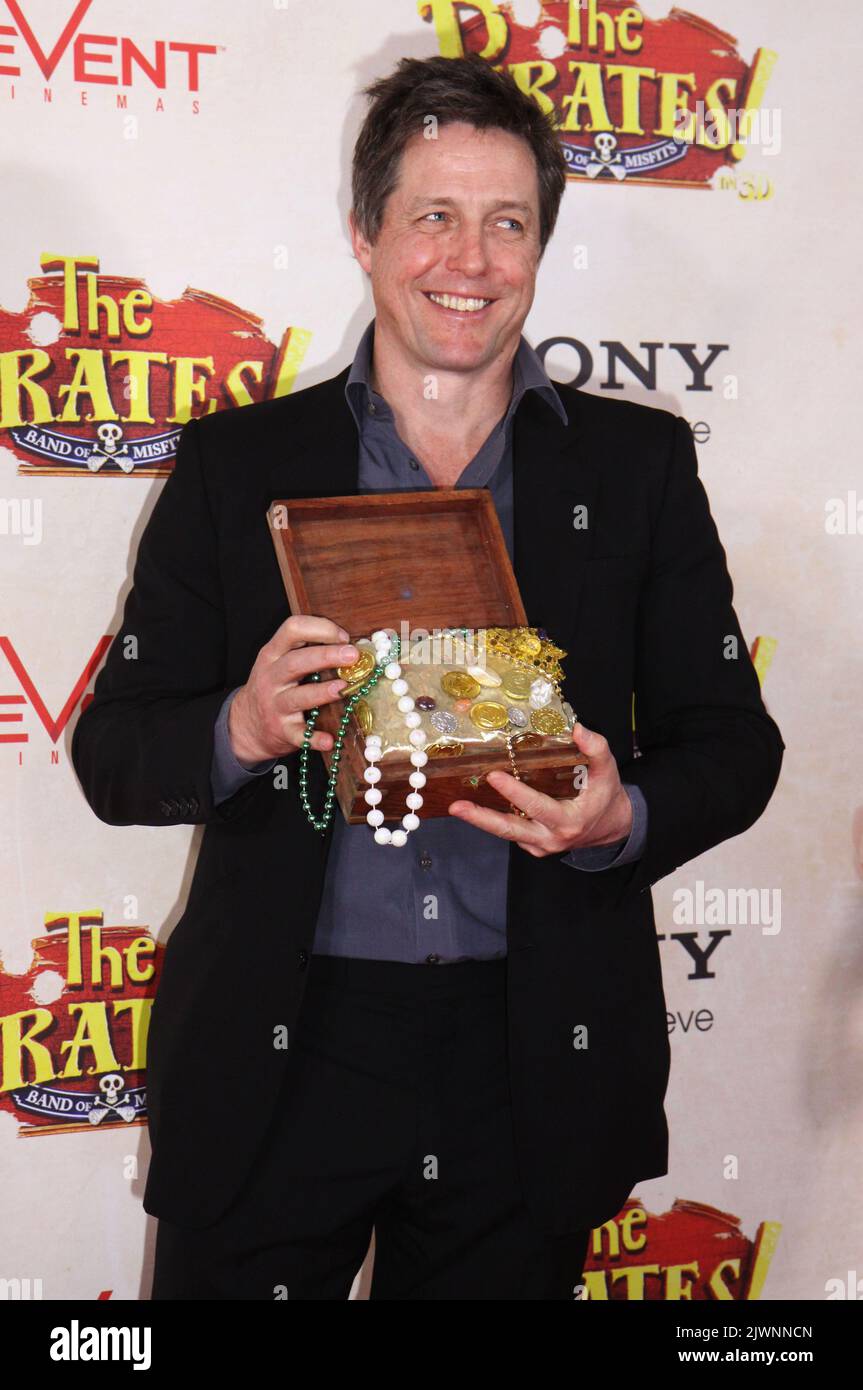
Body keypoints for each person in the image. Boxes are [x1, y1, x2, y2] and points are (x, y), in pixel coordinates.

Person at [71, 54, 784, 1300]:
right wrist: (239, 725)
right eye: (433, 217)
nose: (471, 258)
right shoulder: (240, 466)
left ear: (540, 244)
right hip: (283, 1055)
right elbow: (114, 753)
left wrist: (621, 817)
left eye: (507, 221)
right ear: (365, 233)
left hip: (530, 1059)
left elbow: (734, 743)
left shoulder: (638, 466)